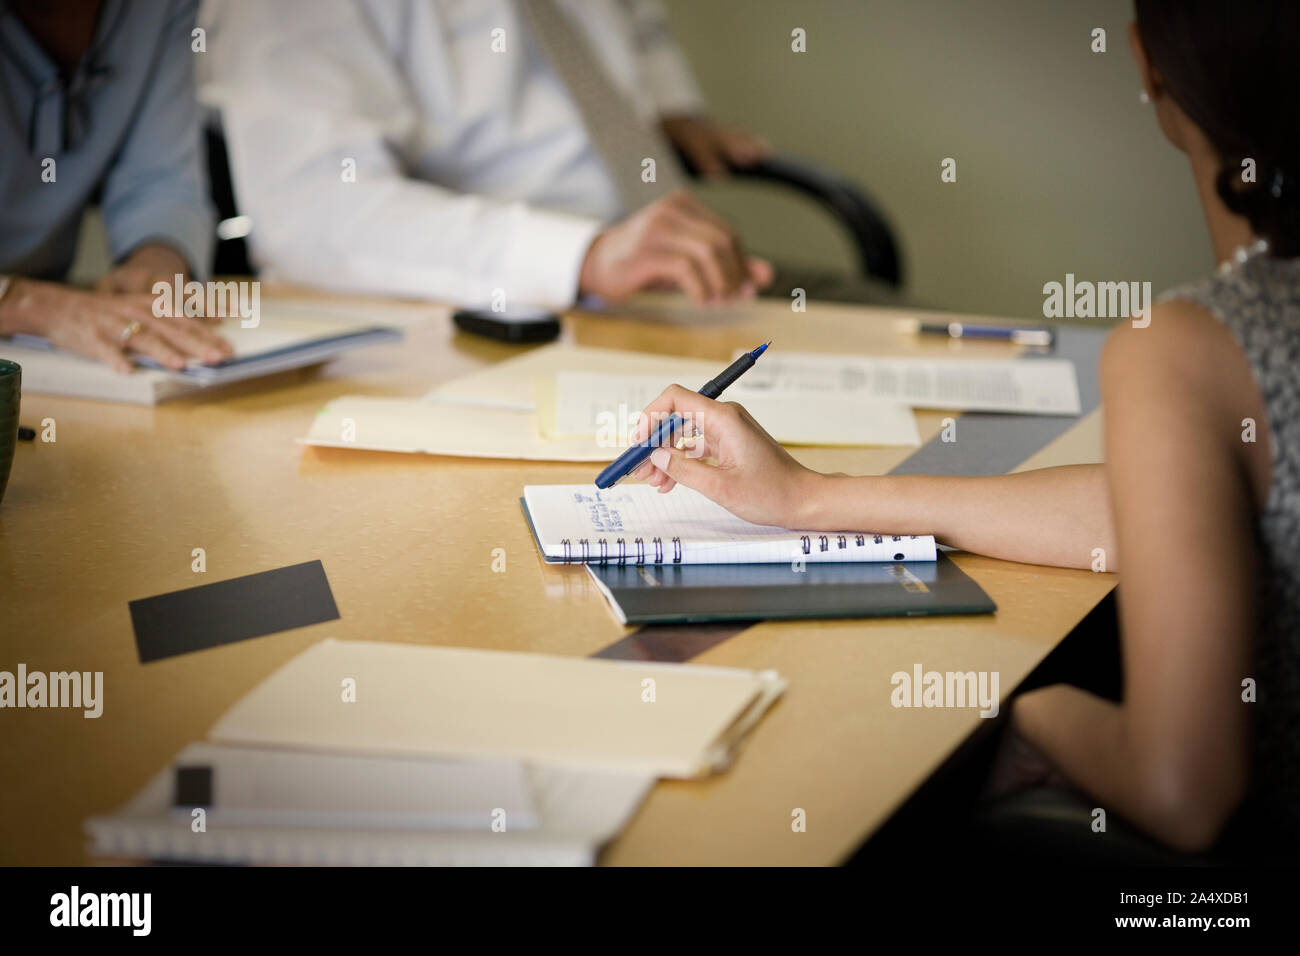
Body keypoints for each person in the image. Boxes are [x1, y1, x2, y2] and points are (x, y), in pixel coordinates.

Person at [630, 0, 1300, 854]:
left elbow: (1182, 793)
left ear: (1147, 64)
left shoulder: (1191, 346)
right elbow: (1170, 511)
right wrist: (809, 498)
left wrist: (1034, 714)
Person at [197, 0, 773, 310]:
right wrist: (584, 257)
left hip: (668, 274)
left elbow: (635, 18)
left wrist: (669, 102)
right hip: (495, 302)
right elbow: (312, 212)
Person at [0, 0, 232, 372]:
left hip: (44, 350)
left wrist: (157, 260)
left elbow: (160, 180)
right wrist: (20, 302)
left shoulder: (160, 9)